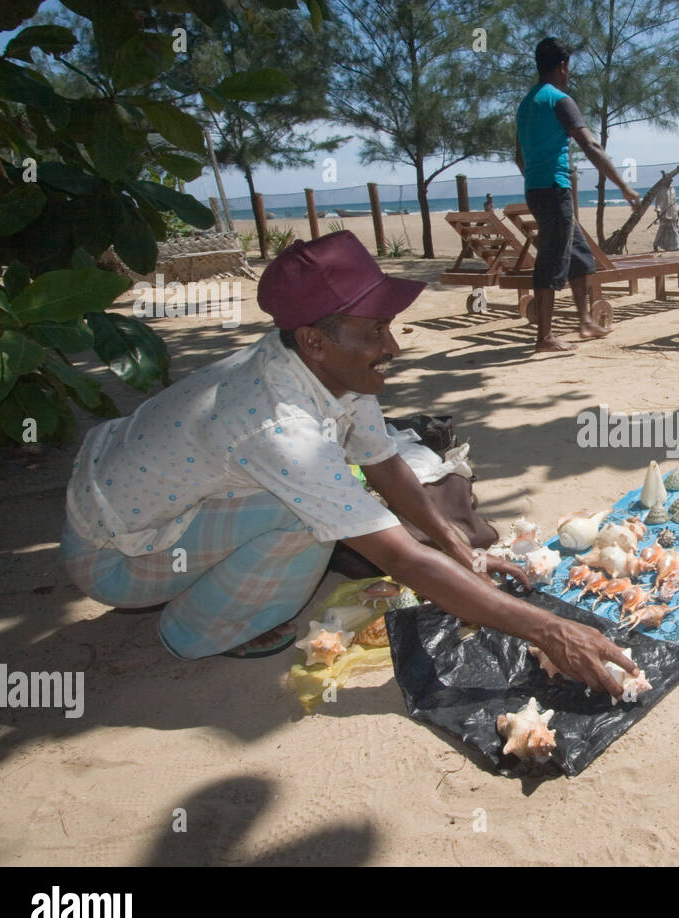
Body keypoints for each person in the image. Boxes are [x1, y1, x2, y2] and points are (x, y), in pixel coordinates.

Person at [59, 230, 638, 696]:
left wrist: (461, 547)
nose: (393, 346)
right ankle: (193, 631)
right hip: (112, 552)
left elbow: (382, 463)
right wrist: (553, 630)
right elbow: (399, 557)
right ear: (315, 340)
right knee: (311, 522)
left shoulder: (329, 370)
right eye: (376, 330)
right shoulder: (279, 424)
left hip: (137, 500)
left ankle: (203, 593)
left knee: (325, 505)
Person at [515, 37, 640, 354]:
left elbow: (518, 155)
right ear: (562, 65)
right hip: (555, 190)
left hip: (536, 188)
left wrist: (535, 176)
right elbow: (591, 147)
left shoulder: (527, 103)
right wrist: (623, 186)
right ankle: (544, 337)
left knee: (580, 254)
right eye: (568, 67)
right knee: (551, 259)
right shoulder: (559, 100)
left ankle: (585, 322)